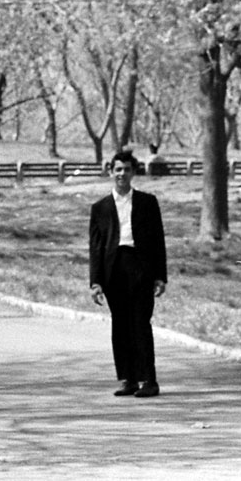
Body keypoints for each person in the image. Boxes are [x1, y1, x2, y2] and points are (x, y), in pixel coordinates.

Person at [89, 149, 168, 398]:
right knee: (120, 325)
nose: (122, 174)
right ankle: (128, 379)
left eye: (127, 169)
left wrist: (160, 276)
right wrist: (96, 282)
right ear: (111, 172)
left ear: (134, 173)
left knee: (140, 324)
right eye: (118, 169)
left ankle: (149, 381)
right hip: (114, 270)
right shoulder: (99, 208)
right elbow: (96, 248)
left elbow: (158, 241)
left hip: (140, 267)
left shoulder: (147, 202)